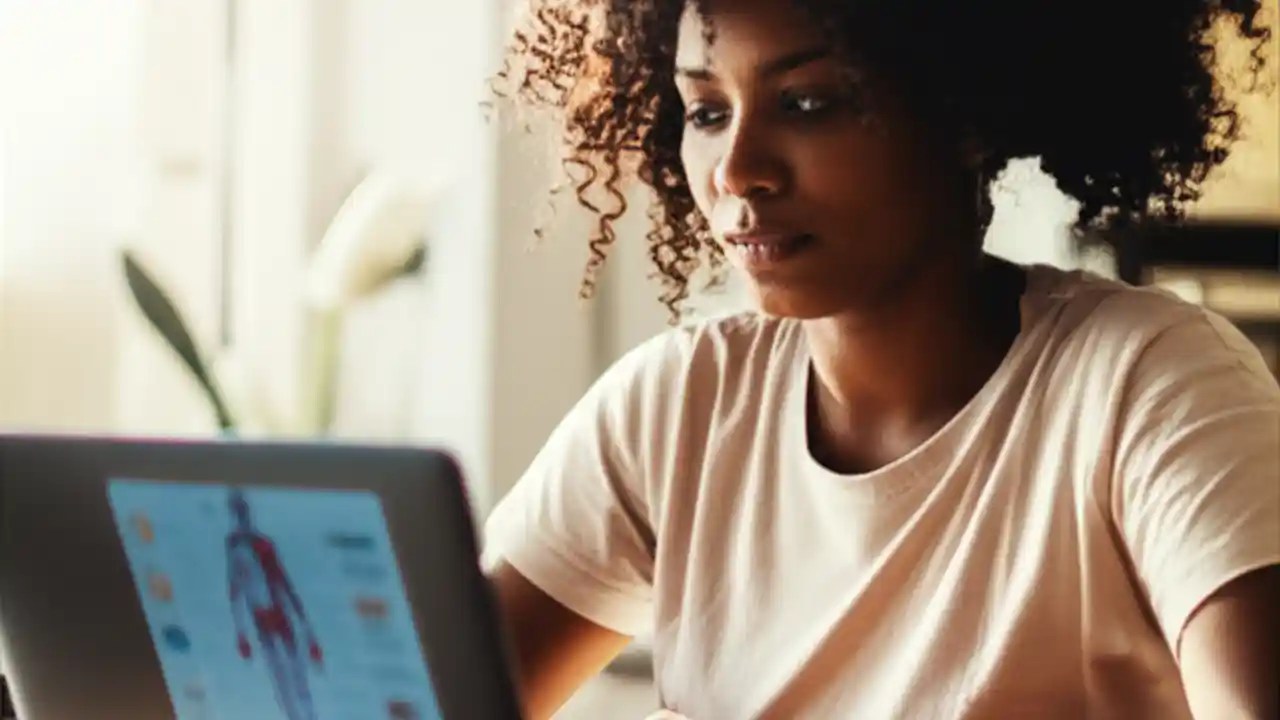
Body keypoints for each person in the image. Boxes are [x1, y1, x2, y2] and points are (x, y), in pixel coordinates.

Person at [483, 0, 1280, 717]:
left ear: (964, 111)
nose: (736, 171)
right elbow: (423, 693)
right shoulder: (677, 404)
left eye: (806, 104)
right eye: (707, 111)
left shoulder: (1153, 384)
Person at [226, 490, 324, 720]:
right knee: (280, 682)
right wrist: (241, 634)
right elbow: (235, 590)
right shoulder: (233, 546)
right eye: (237, 511)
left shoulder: (263, 544)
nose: (242, 517)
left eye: (243, 511)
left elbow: (284, 582)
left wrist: (310, 636)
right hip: (261, 618)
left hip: (280, 615)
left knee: (298, 680)